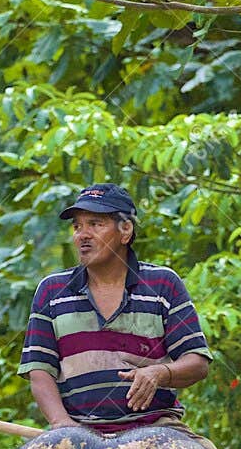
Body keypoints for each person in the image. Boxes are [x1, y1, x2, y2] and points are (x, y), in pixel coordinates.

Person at [19, 183, 212, 433]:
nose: (83, 235)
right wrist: (61, 424)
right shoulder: (51, 290)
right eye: (77, 227)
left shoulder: (163, 283)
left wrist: (159, 373)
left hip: (157, 429)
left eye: (95, 224)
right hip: (78, 430)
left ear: (125, 230)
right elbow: (39, 369)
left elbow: (197, 362)